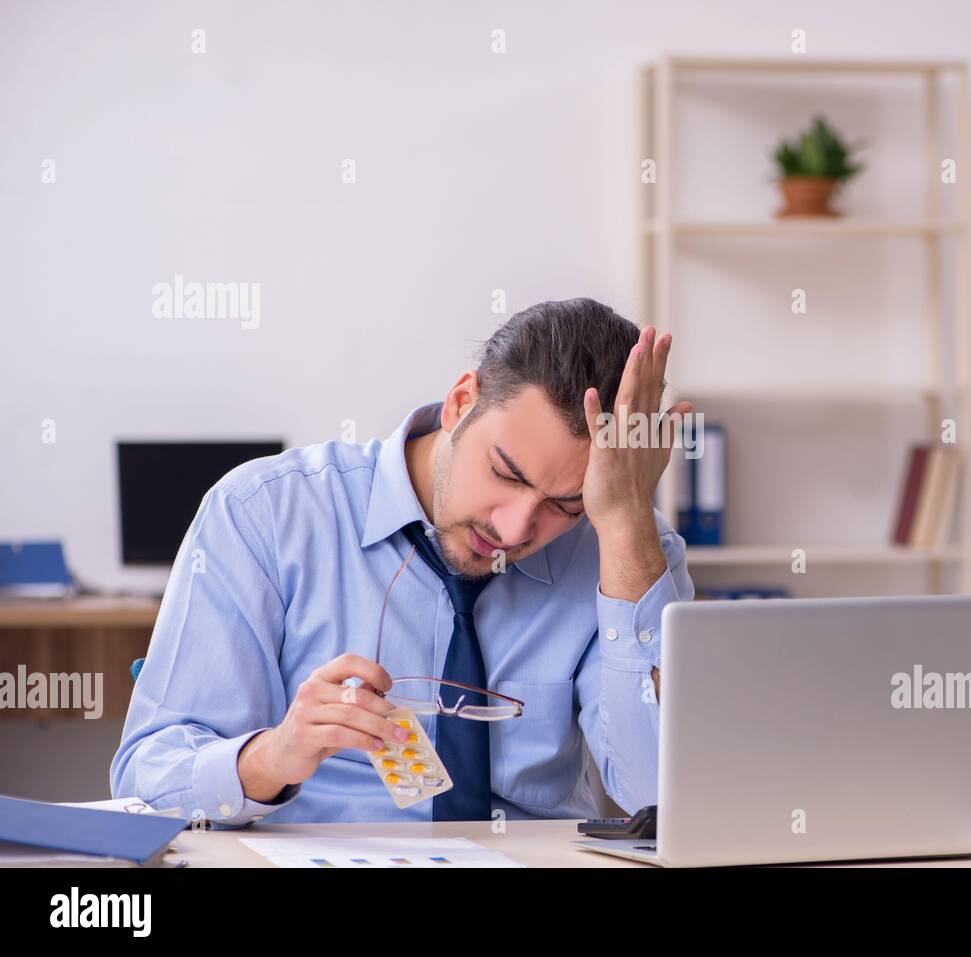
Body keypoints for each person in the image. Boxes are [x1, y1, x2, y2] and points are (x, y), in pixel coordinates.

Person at [111, 297, 695, 824]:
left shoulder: (625, 548)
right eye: (504, 473)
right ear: (461, 403)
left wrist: (623, 524)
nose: (513, 529)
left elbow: (663, 799)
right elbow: (145, 777)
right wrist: (274, 756)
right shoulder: (263, 513)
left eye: (564, 506)